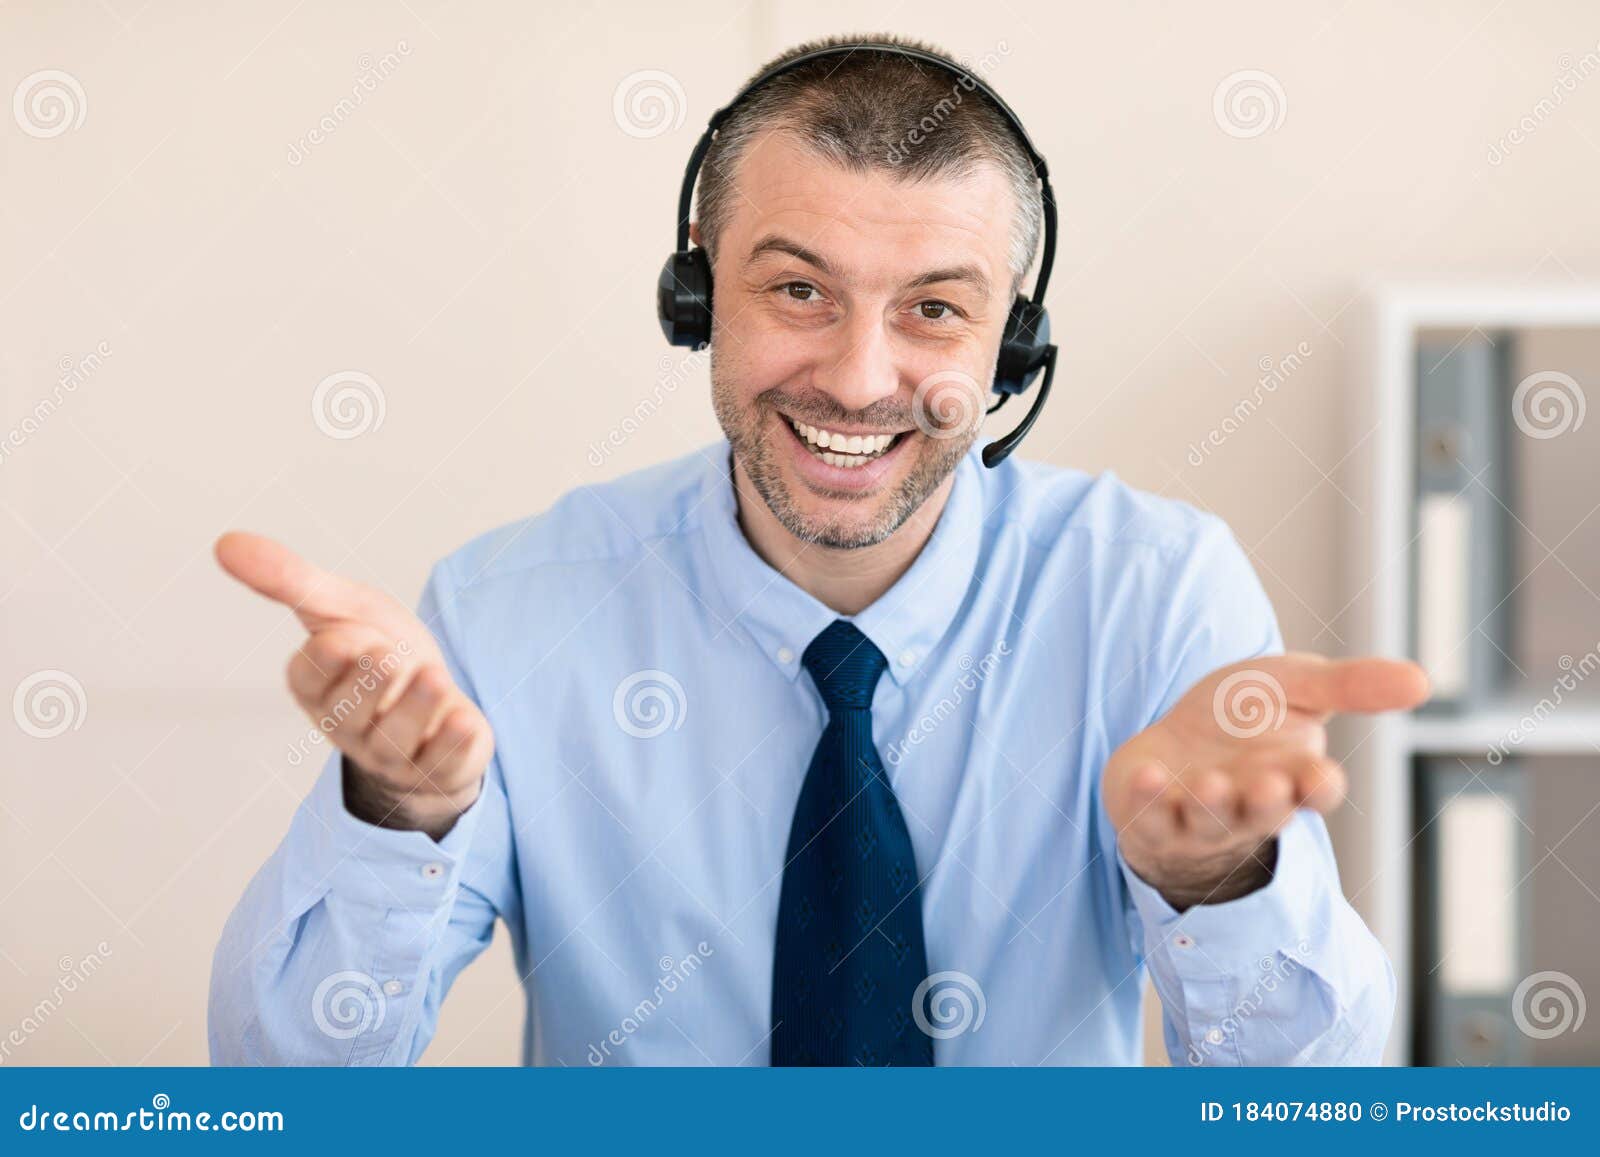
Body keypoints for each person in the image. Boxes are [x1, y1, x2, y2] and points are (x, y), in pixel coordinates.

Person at [208, 34, 1427, 1067]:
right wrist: (397, 812)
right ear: (696, 291)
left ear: (1012, 345)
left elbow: (1311, 1104)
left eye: (934, 308)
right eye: (798, 291)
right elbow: (288, 1087)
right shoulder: (509, 608)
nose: (855, 378)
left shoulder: (1151, 593)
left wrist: (1218, 878)